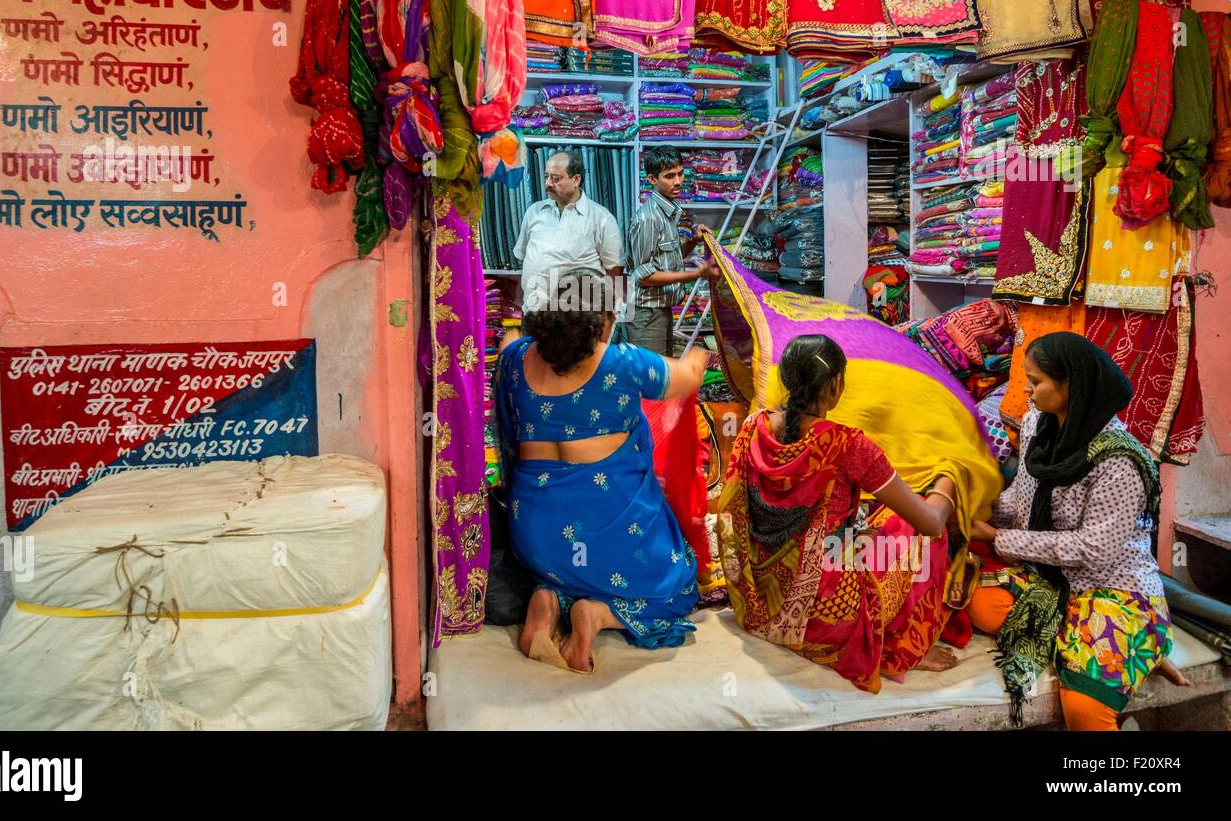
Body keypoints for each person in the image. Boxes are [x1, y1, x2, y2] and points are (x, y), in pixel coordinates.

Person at [717, 333, 961, 693]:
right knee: (917, 532)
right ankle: (904, 647)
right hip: (827, 614)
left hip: (759, 604)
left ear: (785, 378)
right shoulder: (848, 445)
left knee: (866, 521)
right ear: (836, 385)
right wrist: (948, 481)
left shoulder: (753, 426)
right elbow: (930, 521)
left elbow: (735, 510)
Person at [968, 332, 1189, 730]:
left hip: (1111, 587)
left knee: (1085, 711)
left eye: (1036, 381)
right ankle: (1097, 649)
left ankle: (1138, 640)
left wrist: (997, 537)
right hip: (1054, 578)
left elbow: (1093, 549)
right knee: (979, 605)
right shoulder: (1041, 423)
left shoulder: (1120, 461)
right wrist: (979, 511)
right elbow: (1025, 490)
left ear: (1071, 384)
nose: (1027, 390)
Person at [494, 269, 711, 672]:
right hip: (610, 535)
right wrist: (700, 353)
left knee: (557, 571)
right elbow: (690, 377)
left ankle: (548, 601)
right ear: (604, 322)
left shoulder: (515, 359)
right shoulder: (621, 363)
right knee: (677, 588)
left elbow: (507, 341)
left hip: (538, 539)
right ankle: (597, 614)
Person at [626, 147, 717, 354]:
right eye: (669, 176)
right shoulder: (647, 219)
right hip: (645, 314)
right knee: (651, 381)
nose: (677, 181)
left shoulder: (667, 213)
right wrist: (695, 274)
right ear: (652, 179)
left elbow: (665, 260)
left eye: (680, 173)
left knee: (663, 375)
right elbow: (644, 275)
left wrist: (693, 241)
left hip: (659, 309)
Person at [514, 150, 623, 312]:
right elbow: (522, 256)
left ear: (576, 180)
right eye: (546, 177)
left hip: (577, 320)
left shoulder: (601, 218)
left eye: (556, 178)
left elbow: (614, 270)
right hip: (534, 314)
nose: (548, 183)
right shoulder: (534, 212)